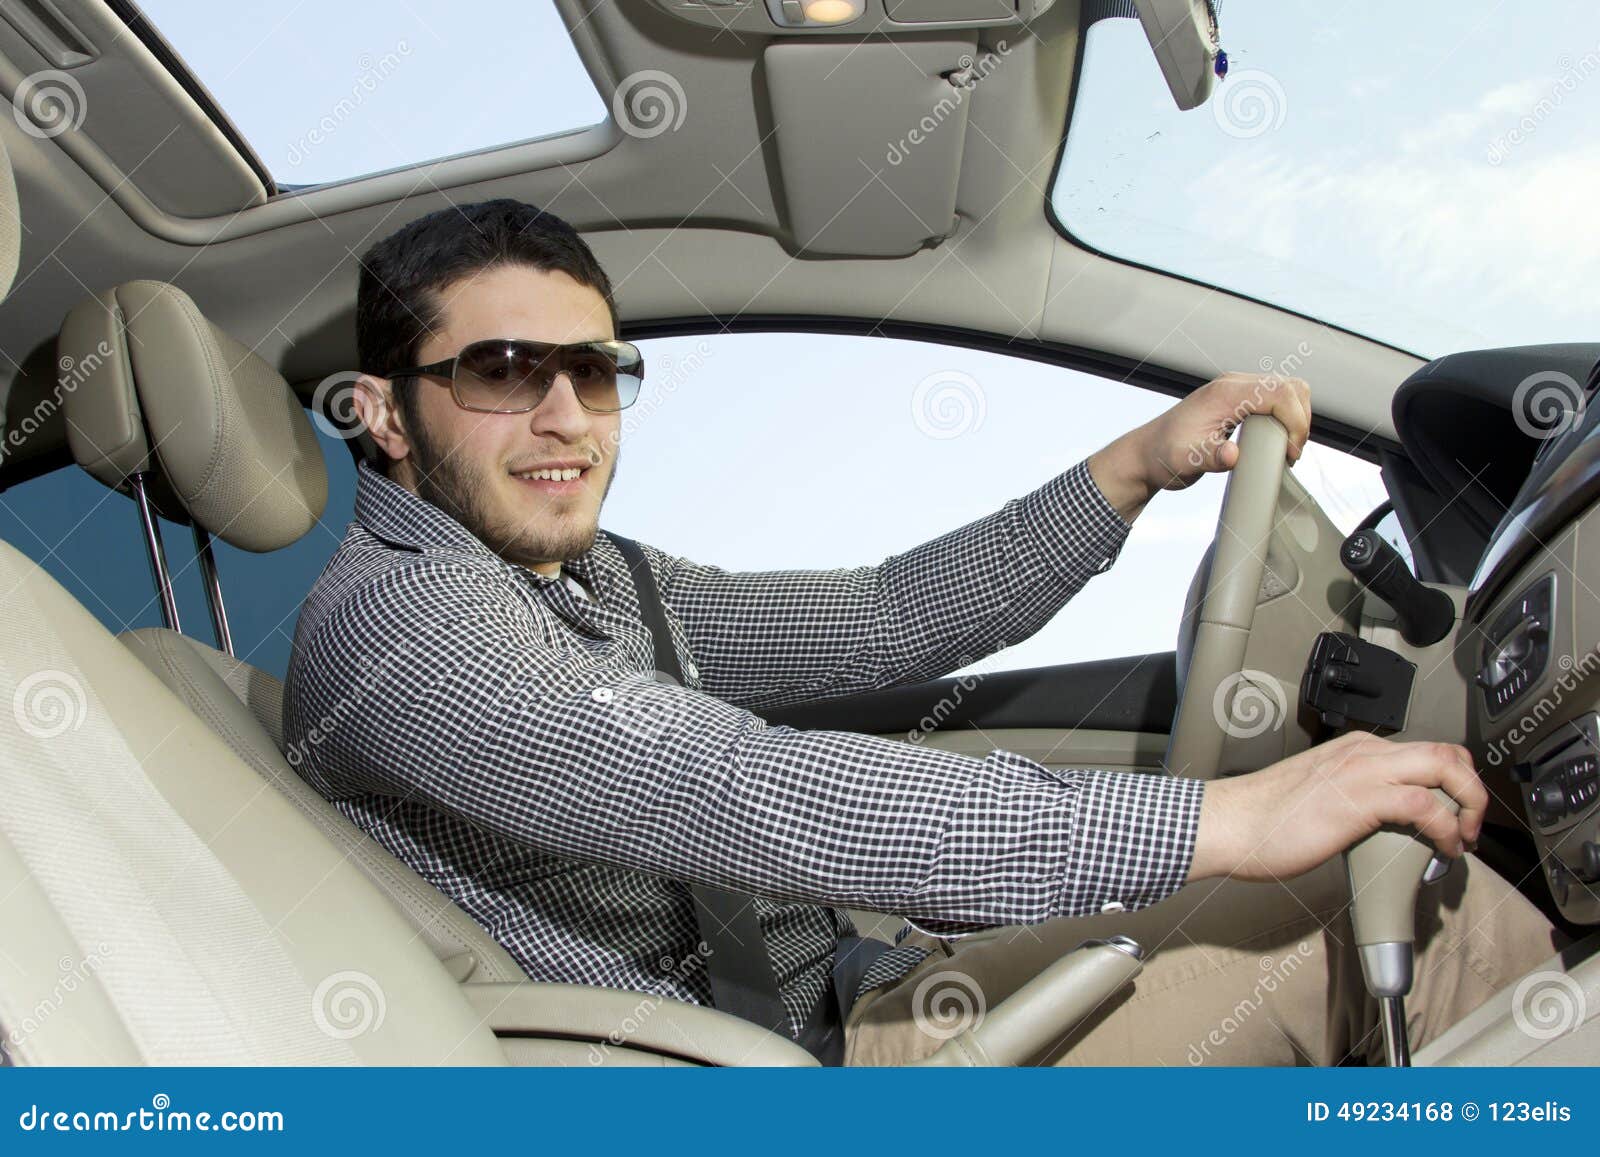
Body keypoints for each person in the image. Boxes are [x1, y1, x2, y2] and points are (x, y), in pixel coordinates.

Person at [284, 198, 1564, 1067]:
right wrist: (1221, 821)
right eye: (505, 371)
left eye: (594, 370)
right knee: (1423, 907)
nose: (567, 416)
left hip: (860, 987)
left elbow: (881, 618)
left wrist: (1133, 464)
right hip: (796, 1069)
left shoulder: (596, 578)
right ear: (388, 415)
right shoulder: (402, 627)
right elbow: (740, 791)